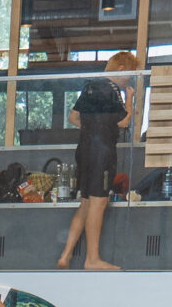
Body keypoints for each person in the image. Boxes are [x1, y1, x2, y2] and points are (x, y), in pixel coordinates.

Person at [56, 50, 138, 271]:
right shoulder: (112, 90)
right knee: (99, 202)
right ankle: (92, 259)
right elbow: (123, 122)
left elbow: (73, 117)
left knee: (85, 202)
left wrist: (93, 129)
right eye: (131, 75)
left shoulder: (90, 86)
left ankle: (66, 255)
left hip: (84, 150)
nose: (130, 80)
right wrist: (130, 99)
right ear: (122, 70)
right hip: (102, 153)